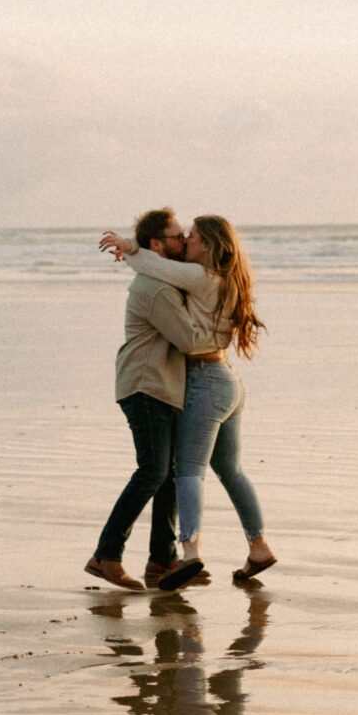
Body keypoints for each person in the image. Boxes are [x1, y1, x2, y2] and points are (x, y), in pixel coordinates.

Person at [100, 215, 275, 585]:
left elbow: (154, 265)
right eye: (181, 236)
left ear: (209, 246)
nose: (186, 241)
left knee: (188, 471)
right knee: (231, 471)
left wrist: (130, 248)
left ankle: (190, 552)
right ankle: (258, 546)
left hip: (205, 379)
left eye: (191, 237)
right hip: (228, 380)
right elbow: (158, 265)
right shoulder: (229, 279)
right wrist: (136, 250)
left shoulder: (199, 277)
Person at [85, 208, 212, 592]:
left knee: (167, 474)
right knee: (153, 472)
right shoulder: (155, 288)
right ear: (157, 244)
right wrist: (221, 339)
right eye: (177, 236)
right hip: (145, 385)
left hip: (160, 385)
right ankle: (106, 555)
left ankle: (161, 559)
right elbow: (189, 340)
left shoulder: (160, 278)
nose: (184, 240)